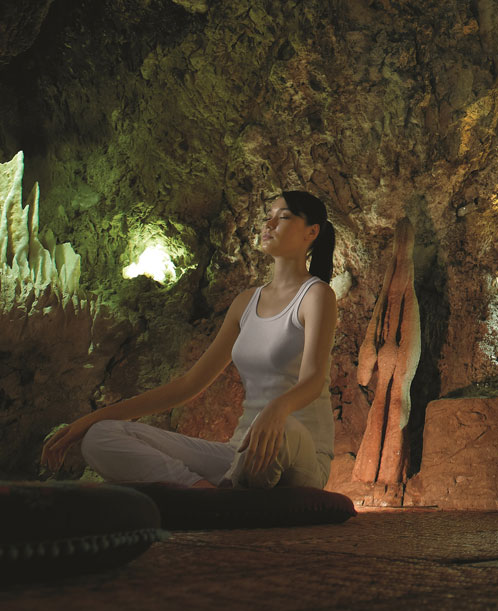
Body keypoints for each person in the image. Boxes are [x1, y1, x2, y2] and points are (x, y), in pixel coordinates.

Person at [40, 191, 339, 489]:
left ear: (311, 232)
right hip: (239, 453)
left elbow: (312, 381)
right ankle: (201, 490)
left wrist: (277, 409)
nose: (269, 224)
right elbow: (188, 385)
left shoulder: (317, 296)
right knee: (100, 437)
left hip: (299, 451)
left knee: (281, 431)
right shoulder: (245, 303)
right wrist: (88, 421)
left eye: (283, 217)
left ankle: (232, 489)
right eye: (268, 216)